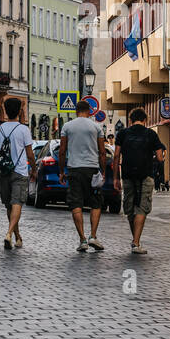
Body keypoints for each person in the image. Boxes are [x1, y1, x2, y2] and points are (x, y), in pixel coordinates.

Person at [112, 108, 166, 254]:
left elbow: (116, 156)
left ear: (130, 120)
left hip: (128, 175)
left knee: (129, 209)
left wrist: (116, 177)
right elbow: (160, 157)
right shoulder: (151, 134)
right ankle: (136, 243)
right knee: (142, 208)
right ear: (145, 120)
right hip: (146, 175)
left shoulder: (122, 133)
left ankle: (135, 240)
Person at [0, 98, 34, 250]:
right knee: (17, 203)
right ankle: (9, 233)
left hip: (2, 172)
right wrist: (34, 170)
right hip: (19, 172)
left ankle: (17, 236)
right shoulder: (24, 130)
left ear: (5, 111)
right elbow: (30, 155)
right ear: (19, 111)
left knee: (9, 206)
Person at [58, 100, 106, 253]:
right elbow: (102, 151)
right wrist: (103, 171)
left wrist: (61, 171)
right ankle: (93, 235)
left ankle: (82, 239)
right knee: (96, 203)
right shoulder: (96, 126)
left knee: (76, 203)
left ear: (76, 111)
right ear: (89, 111)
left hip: (74, 169)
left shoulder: (67, 126)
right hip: (92, 168)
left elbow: (62, 150)